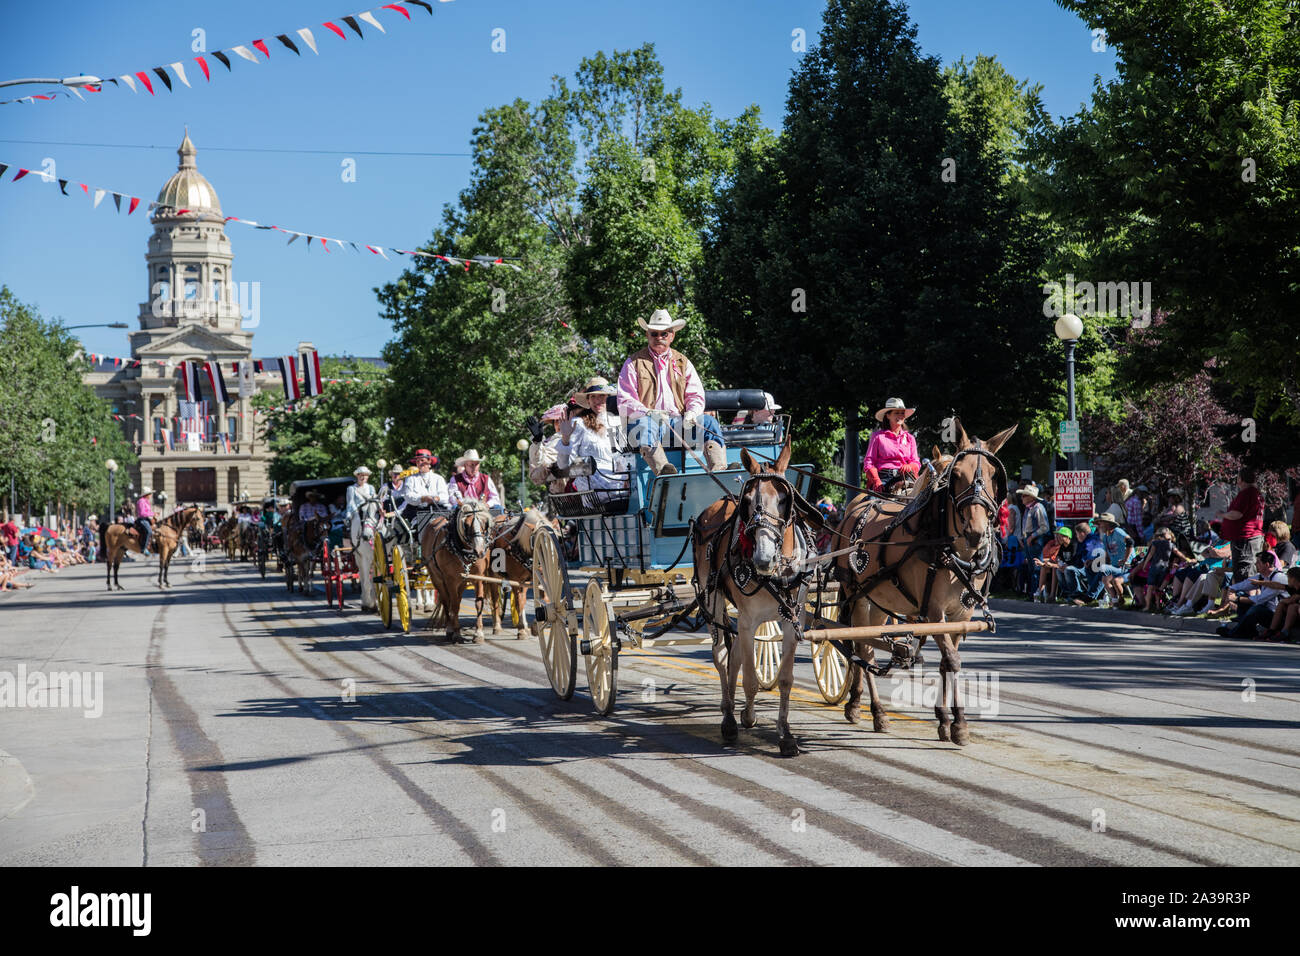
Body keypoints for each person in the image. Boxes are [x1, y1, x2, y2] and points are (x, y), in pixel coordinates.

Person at [616, 308, 727, 475]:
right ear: (647, 335)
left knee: (709, 423)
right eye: (654, 333)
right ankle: (664, 472)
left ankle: (719, 470)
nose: (659, 338)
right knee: (644, 426)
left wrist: (692, 413)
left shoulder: (683, 362)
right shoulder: (633, 363)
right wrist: (649, 412)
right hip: (649, 422)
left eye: (664, 334)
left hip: (679, 422)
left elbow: (695, 395)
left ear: (672, 336)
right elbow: (625, 401)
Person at [557, 384, 625, 501]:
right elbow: (563, 465)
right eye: (593, 396)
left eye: (601, 396)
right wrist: (565, 439)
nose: (597, 400)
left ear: (608, 397)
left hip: (622, 489)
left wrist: (627, 479)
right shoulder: (578, 424)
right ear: (588, 401)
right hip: (595, 493)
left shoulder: (618, 423)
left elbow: (625, 458)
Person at [1216, 551, 1289, 640]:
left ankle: (1236, 632)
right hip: (1268, 613)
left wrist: (1237, 598)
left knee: (1255, 608)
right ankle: (1248, 630)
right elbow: (1244, 584)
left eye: (1258, 562)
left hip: (1280, 618)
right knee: (1242, 594)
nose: (1255, 564)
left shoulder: (1278, 578)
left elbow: (1260, 599)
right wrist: (1232, 589)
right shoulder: (1261, 576)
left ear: (1266, 564)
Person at [861, 398, 921, 495]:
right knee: (871, 503)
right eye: (897, 413)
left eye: (902, 413)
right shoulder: (878, 437)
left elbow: (916, 462)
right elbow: (869, 462)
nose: (900, 416)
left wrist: (909, 466)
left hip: (905, 477)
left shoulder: (910, 438)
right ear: (888, 415)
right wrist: (876, 480)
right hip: (883, 478)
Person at [1217, 467, 1265, 582]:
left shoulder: (1247, 494)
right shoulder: (1255, 493)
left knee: (1244, 573)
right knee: (1246, 571)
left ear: (1241, 479)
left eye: (1238, 477)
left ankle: (1245, 598)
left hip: (1245, 540)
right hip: (1249, 539)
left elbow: (1237, 514)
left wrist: (1222, 514)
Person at [1016, 483, 1051, 595]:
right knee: (1030, 568)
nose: (1022, 498)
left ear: (1031, 497)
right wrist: (1023, 537)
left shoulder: (1038, 508)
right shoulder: (1029, 509)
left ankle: (1036, 592)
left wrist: (1033, 536)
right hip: (1029, 540)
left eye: (1024, 496)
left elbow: (1045, 527)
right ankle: (1032, 592)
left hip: (1035, 541)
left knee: (1036, 568)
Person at [401, 449, 450, 525]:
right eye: (417, 461)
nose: (420, 463)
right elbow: (408, 496)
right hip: (416, 512)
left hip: (437, 511)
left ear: (429, 461)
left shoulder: (439, 478)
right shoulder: (410, 479)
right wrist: (423, 498)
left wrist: (437, 498)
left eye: (422, 460)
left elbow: (445, 497)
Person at [448, 450, 503, 514]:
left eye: (477, 464)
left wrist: (487, 505)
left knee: (499, 509)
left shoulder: (486, 479)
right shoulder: (455, 479)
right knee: (454, 509)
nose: (474, 467)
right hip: (464, 510)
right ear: (465, 465)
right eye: (471, 465)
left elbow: (495, 498)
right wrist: (467, 505)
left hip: (484, 510)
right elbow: (453, 498)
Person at [1257, 567, 1300, 643]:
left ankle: (1285, 632)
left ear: (1294, 579)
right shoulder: (1293, 588)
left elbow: (1292, 600)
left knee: (1292, 607)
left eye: (1288, 578)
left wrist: (1285, 600)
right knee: (1282, 605)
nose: (1287, 580)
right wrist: (1258, 582)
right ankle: (1272, 630)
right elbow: (1276, 585)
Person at [1032, 525, 1071, 602]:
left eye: (1059, 535)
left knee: (1054, 567)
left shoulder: (1065, 546)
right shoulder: (1051, 543)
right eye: (1056, 534)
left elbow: (1056, 560)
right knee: (1045, 566)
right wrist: (1043, 563)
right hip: (1051, 565)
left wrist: (1045, 562)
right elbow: (1045, 555)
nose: (1057, 537)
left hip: (1062, 567)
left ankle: (1053, 595)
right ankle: (1040, 592)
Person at [342, 466, 378, 530]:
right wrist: (355, 513)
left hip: (370, 512)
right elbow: (351, 502)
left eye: (366, 475)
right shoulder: (351, 488)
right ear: (357, 476)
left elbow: (374, 499)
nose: (364, 477)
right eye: (362, 475)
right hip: (357, 512)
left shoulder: (371, 487)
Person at [135, 488, 156, 555]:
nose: (151, 495)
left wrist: (153, 514)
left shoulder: (146, 501)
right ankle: (143, 548)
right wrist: (152, 514)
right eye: (150, 494)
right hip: (142, 519)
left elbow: (148, 512)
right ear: (146, 495)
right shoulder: (141, 501)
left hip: (146, 519)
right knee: (149, 531)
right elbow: (142, 513)